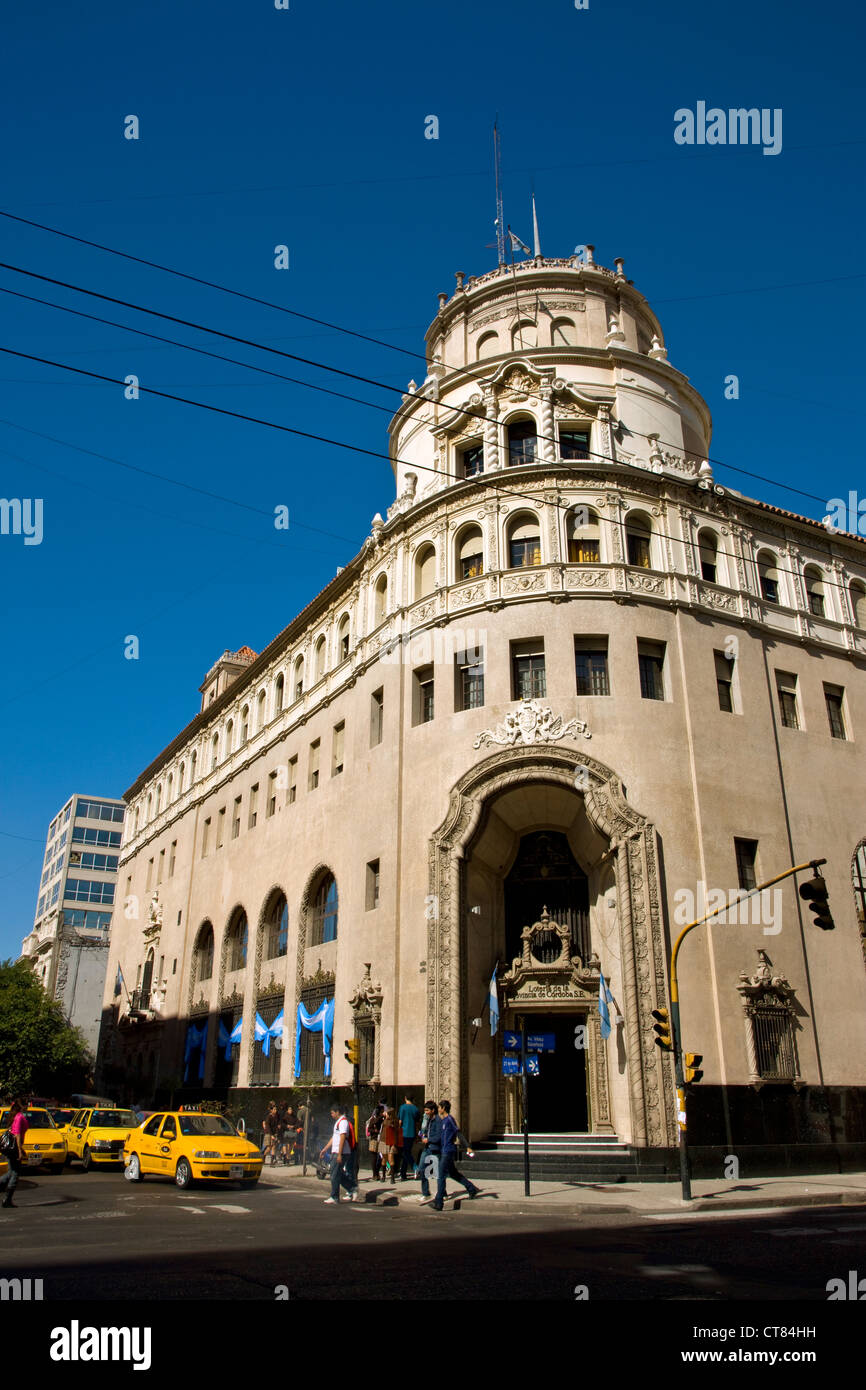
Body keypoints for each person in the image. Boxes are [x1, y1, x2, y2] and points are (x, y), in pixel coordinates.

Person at [428, 1100, 480, 1211]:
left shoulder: (450, 1120)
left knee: (441, 1176)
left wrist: (467, 1146)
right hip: (444, 1150)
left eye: (439, 1107)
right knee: (453, 1173)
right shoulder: (443, 1121)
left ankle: (439, 1203)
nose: (438, 1109)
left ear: (443, 1108)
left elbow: (458, 1133)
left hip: (448, 1151)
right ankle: (471, 1188)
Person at [319, 1103, 357, 1204]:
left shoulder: (343, 1122)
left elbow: (343, 1138)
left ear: (337, 1112)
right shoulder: (338, 1122)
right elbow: (334, 1137)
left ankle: (335, 1196)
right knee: (337, 1173)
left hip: (341, 1152)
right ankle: (352, 1187)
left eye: (332, 1113)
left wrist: (339, 1154)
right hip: (335, 1151)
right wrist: (325, 1149)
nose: (331, 1115)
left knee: (334, 1174)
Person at [0, 1098, 29, 1209]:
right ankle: (7, 1199)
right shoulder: (19, 1117)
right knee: (15, 1174)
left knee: (10, 1173)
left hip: (13, 1148)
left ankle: (7, 1199)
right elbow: (17, 1134)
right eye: (26, 1105)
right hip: (14, 1149)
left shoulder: (16, 1116)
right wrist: (19, 1150)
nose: (27, 1107)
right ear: (22, 1106)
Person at [418, 1099, 449, 1202]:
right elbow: (425, 1131)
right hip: (427, 1149)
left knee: (439, 1173)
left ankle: (443, 1193)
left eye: (427, 1110)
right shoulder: (428, 1120)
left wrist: (428, 1139)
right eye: (425, 1110)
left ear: (432, 1110)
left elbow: (438, 1137)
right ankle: (426, 1193)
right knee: (421, 1169)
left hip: (436, 1149)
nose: (425, 1112)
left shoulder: (438, 1121)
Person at [397, 1093, 421, 1180]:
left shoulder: (402, 1107)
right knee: (406, 1152)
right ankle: (403, 1173)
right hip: (412, 1133)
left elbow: (400, 1121)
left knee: (405, 1153)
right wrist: (418, 1135)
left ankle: (415, 1167)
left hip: (404, 1133)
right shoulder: (415, 1109)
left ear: (405, 1098)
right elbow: (418, 1123)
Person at [379, 1107, 402, 1185]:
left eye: (387, 1114)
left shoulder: (388, 1122)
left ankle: (385, 1176)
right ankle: (390, 1177)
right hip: (389, 1141)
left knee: (386, 1158)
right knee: (388, 1158)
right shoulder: (395, 1122)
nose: (386, 1115)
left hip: (387, 1141)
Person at [365, 1102, 385, 1180]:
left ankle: (377, 1171)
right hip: (374, 1139)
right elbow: (369, 1129)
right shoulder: (374, 1119)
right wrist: (375, 1130)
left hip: (381, 1139)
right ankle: (375, 1174)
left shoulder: (382, 1118)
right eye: (382, 1111)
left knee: (381, 1157)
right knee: (374, 1157)